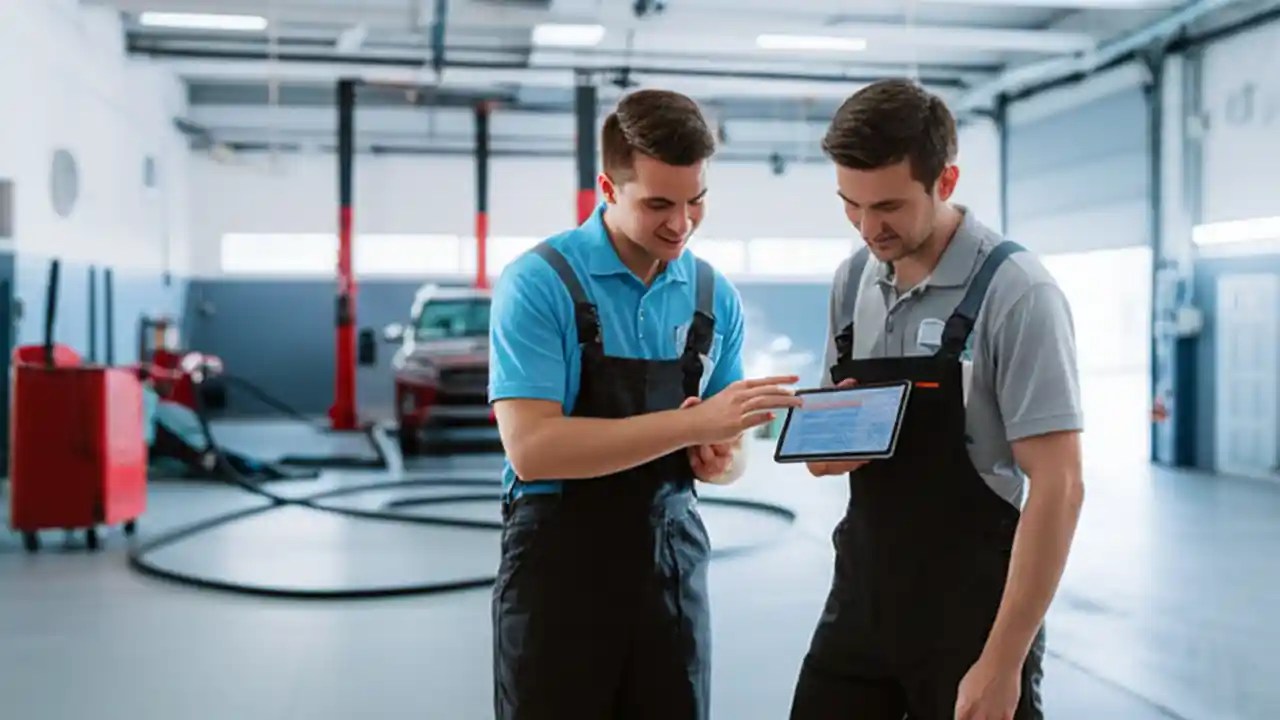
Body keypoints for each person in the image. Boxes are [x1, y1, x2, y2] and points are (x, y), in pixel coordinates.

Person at [488, 88, 801, 720]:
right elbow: (534, 449)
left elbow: (729, 449)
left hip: (671, 559)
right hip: (558, 568)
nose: (680, 223)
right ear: (608, 187)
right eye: (658, 203)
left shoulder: (714, 295)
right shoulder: (539, 283)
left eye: (696, 201)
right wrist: (692, 424)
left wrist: (719, 457)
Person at [788, 79, 1086, 720]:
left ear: (945, 182)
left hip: (971, 617)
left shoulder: (1018, 292)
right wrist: (818, 439)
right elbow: (825, 450)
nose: (869, 228)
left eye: (888, 206)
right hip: (861, 597)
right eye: (851, 205)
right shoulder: (853, 279)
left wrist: (1003, 663)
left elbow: (1059, 486)